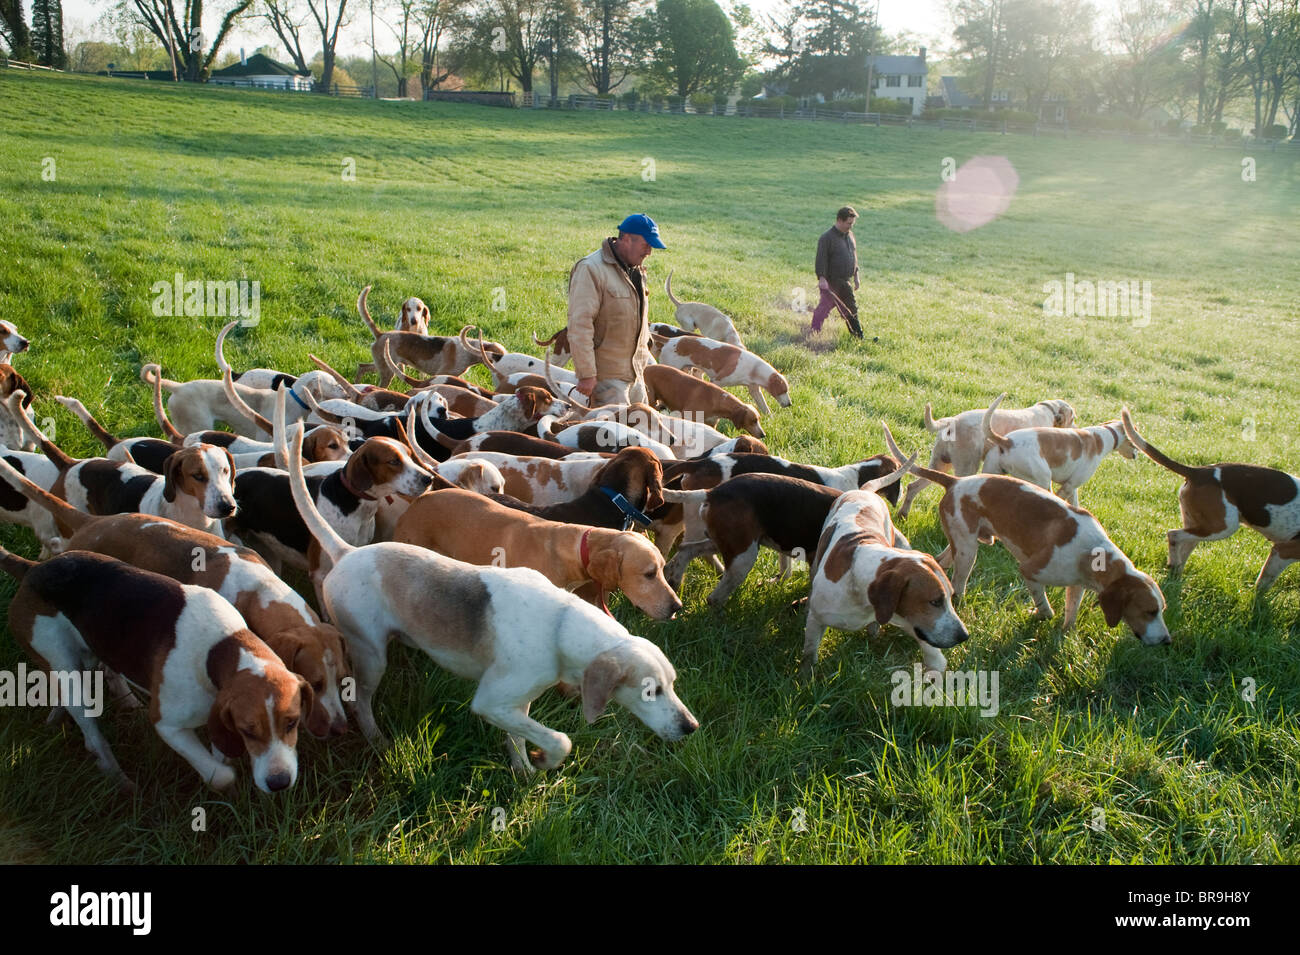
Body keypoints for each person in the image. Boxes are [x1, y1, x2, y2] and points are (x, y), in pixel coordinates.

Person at [566, 213, 663, 406]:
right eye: (646, 245)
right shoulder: (591, 269)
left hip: (636, 375)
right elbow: (580, 324)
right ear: (626, 239)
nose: (649, 252)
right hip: (607, 379)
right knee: (612, 434)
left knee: (637, 433)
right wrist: (586, 374)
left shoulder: (636, 269)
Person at [807, 206, 865, 340]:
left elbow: (853, 256)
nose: (850, 227)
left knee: (851, 308)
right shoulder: (826, 238)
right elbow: (821, 259)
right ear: (839, 220)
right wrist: (821, 278)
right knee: (824, 309)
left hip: (846, 281)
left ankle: (858, 337)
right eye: (848, 223)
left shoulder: (850, 236)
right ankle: (814, 332)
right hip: (831, 282)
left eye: (852, 224)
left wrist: (856, 276)